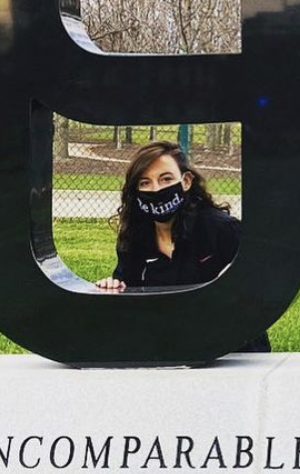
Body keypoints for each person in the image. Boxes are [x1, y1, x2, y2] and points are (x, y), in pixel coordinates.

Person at [96, 140, 270, 352]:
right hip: (167, 350)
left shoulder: (222, 230)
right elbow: (127, 298)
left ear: (186, 181)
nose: (156, 189)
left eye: (166, 179)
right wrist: (112, 288)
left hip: (231, 352)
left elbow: (255, 293)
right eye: (145, 183)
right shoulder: (134, 238)